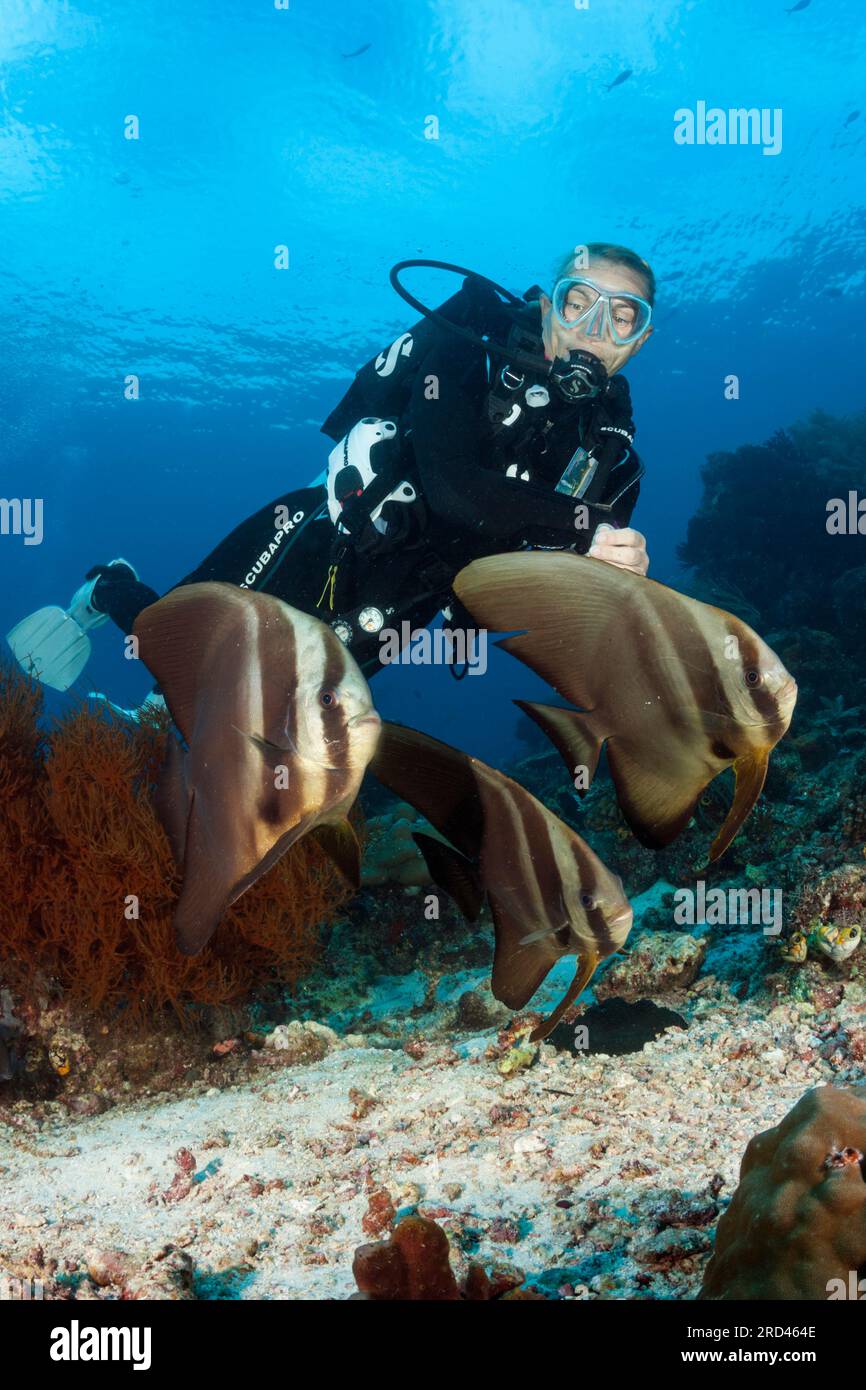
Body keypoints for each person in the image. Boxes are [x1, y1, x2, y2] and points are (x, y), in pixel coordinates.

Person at [7, 243, 655, 697]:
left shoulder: (612, 461)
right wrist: (583, 533)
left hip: (409, 603)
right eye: (578, 303)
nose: (594, 329)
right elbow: (453, 486)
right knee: (174, 647)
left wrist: (610, 584)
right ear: (548, 308)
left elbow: (563, 606)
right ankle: (108, 588)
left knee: (282, 718)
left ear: (639, 341)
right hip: (323, 533)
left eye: (622, 317)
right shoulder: (464, 350)